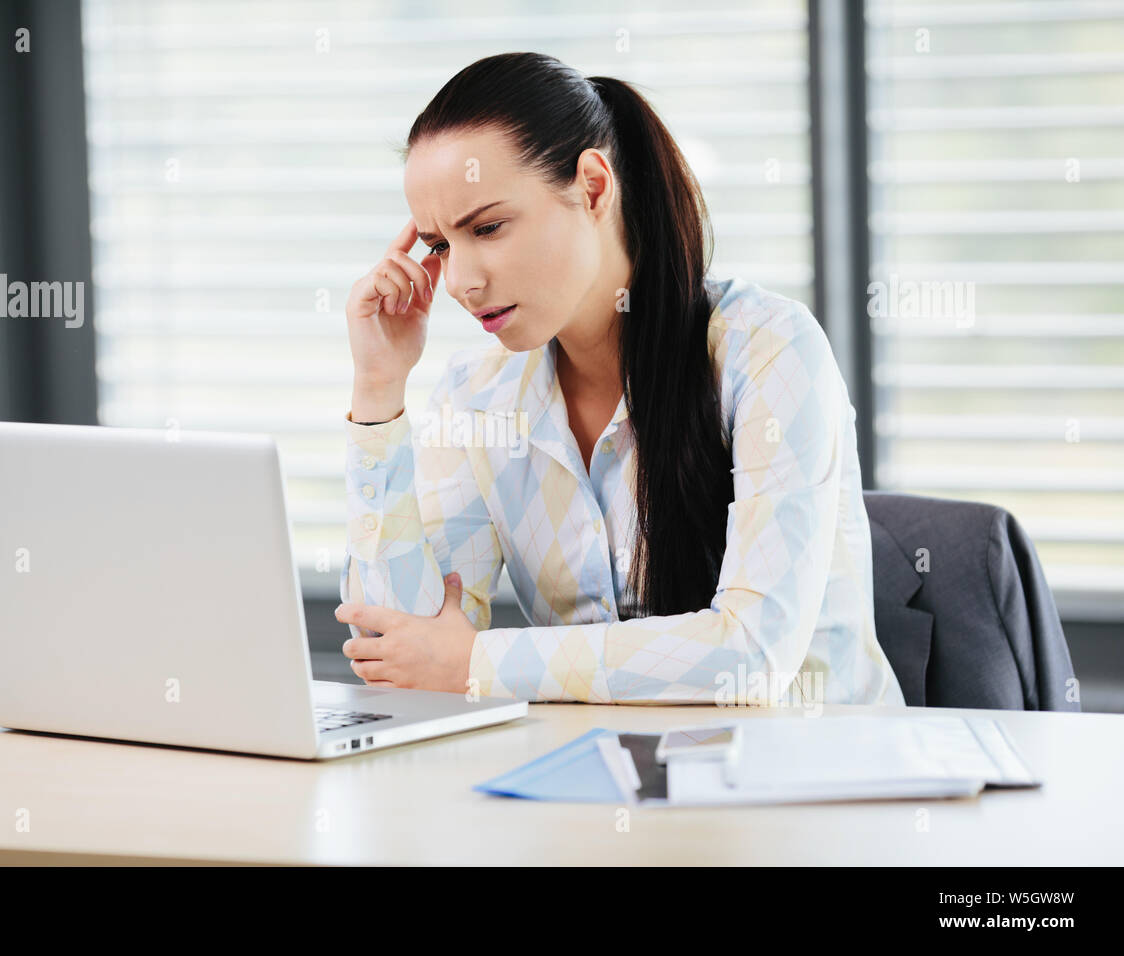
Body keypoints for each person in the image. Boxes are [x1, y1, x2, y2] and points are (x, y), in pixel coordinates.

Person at [334, 52, 905, 707]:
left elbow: (751, 655)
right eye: (438, 245)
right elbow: (398, 644)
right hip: (599, 785)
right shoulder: (478, 393)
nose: (461, 281)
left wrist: (476, 662)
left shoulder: (769, 350)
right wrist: (378, 393)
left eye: (487, 227)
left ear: (594, 186)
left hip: (814, 786)